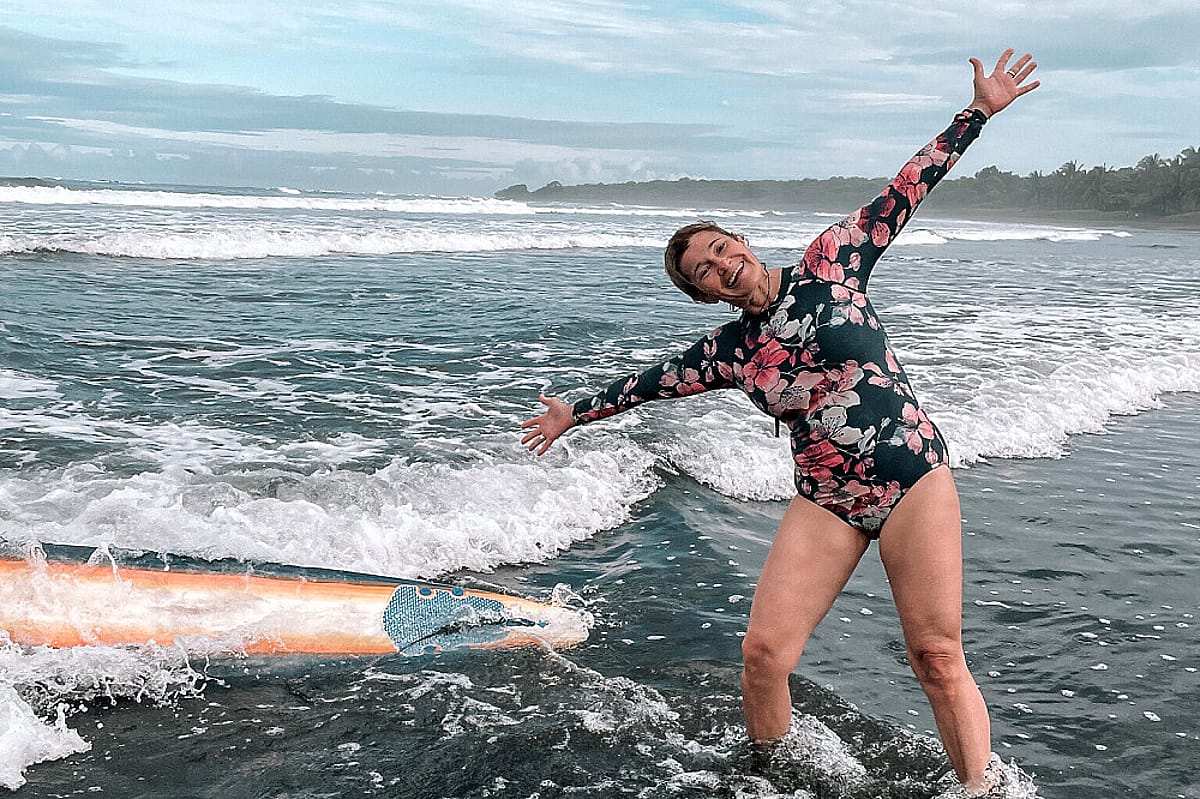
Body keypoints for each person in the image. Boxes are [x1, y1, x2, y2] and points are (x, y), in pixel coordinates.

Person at [521, 49, 1040, 797]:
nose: (721, 263)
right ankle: (774, 778)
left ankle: (979, 790)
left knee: (934, 652)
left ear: (740, 240)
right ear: (704, 295)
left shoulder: (831, 261)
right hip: (827, 497)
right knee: (763, 653)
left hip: (910, 474)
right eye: (703, 269)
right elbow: (649, 384)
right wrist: (576, 410)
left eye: (720, 247)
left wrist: (979, 114)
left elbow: (907, 188)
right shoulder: (728, 351)